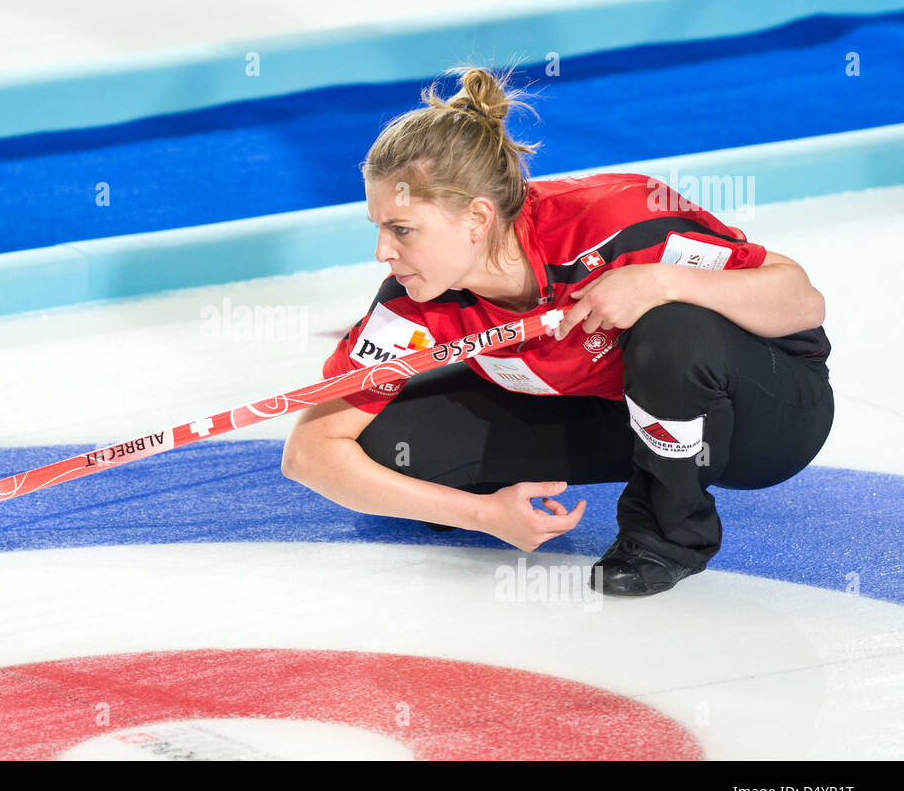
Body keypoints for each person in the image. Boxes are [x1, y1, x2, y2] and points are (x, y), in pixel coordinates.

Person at [281, 66, 834, 596]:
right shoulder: (413, 301)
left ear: (476, 219)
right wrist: (482, 515)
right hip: (618, 408)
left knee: (675, 328)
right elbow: (309, 451)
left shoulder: (618, 220)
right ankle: (646, 454)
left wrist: (661, 281)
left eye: (402, 229)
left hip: (763, 417)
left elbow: (801, 301)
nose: (383, 252)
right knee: (387, 444)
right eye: (378, 228)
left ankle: (668, 537)